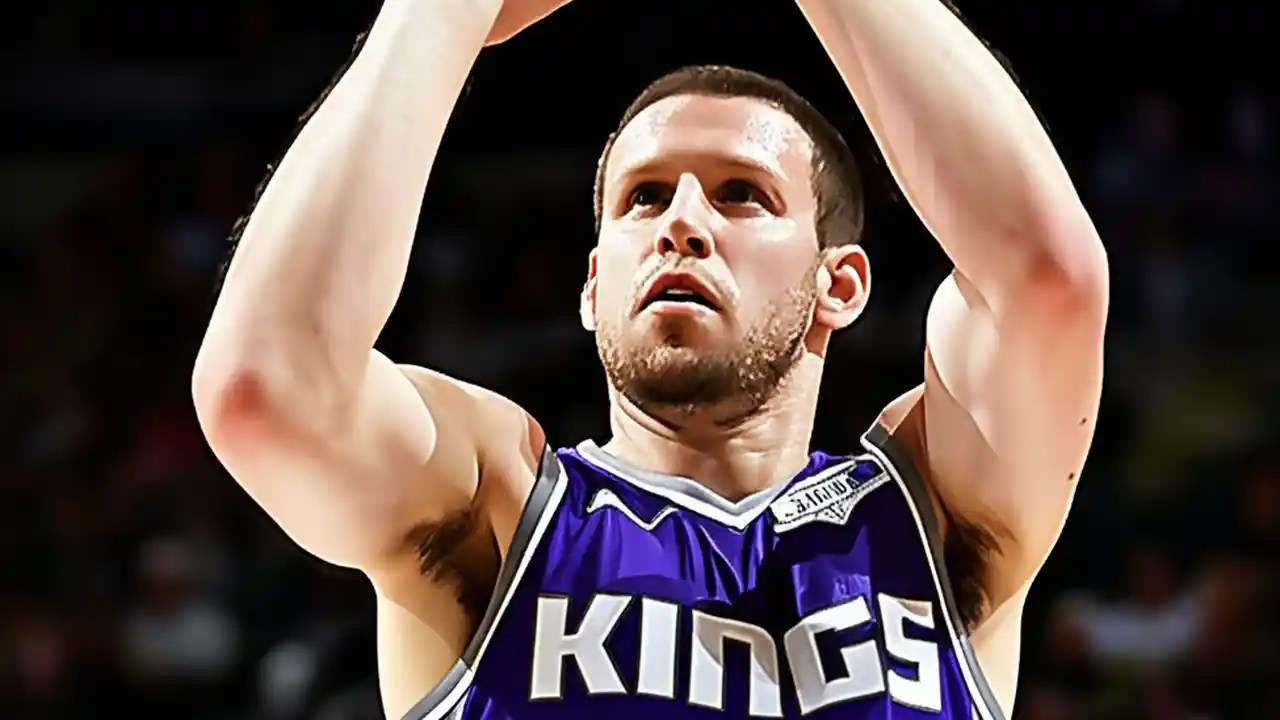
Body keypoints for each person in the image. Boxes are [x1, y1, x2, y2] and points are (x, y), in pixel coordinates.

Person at [192, 0, 1109, 718]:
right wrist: (436, 14)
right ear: (595, 287)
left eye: (741, 194)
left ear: (840, 284)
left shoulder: (931, 512)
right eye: (643, 198)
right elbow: (266, 387)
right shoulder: (503, 508)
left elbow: (1048, 280)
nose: (682, 222)